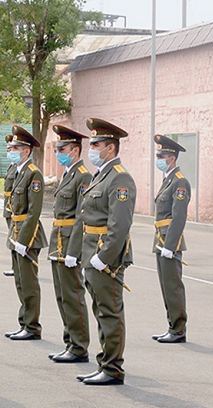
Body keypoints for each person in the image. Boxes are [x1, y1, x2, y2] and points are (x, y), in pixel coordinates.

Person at [76, 117, 135, 386]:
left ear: (110, 148)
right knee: (100, 310)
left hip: (104, 256)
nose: (91, 149)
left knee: (110, 312)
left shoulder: (119, 177)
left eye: (96, 145)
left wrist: (104, 257)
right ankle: (105, 363)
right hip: (92, 253)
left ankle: (113, 369)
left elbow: (119, 225)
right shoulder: (102, 175)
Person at [47, 125, 92, 363]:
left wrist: (74, 251)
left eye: (61, 149)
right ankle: (70, 342)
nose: (58, 153)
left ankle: (79, 346)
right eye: (56, 149)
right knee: (62, 296)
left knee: (73, 296)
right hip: (58, 242)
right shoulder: (68, 174)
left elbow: (81, 216)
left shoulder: (82, 176)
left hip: (69, 245)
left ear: (74, 150)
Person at [3, 125, 48, 341]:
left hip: (28, 236)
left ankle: (32, 326)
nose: (11, 151)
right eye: (11, 148)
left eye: (15, 148)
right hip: (16, 232)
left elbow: (33, 211)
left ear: (26, 151)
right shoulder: (19, 172)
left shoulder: (33, 173)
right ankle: (24, 323)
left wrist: (23, 239)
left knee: (29, 284)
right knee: (20, 282)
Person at [151, 134, 191, 344]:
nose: (158, 159)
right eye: (158, 155)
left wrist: (170, 245)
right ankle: (172, 326)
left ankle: (178, 329)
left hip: (169, 242)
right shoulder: (168, 180)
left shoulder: (179, 181)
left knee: (173, 286)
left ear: (172, 158)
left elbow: (179, 217)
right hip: (161, 239)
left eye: (162, 156)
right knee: (166, 286)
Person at [2, 134, 18, 277]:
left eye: (12, 149)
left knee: (15, 237)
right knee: (12, 237)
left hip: (14, 208)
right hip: (8, 207)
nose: (10, 152)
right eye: (8, 149)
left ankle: (17, 266)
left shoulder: (19, 168)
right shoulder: (12, 167)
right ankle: (15, 266)